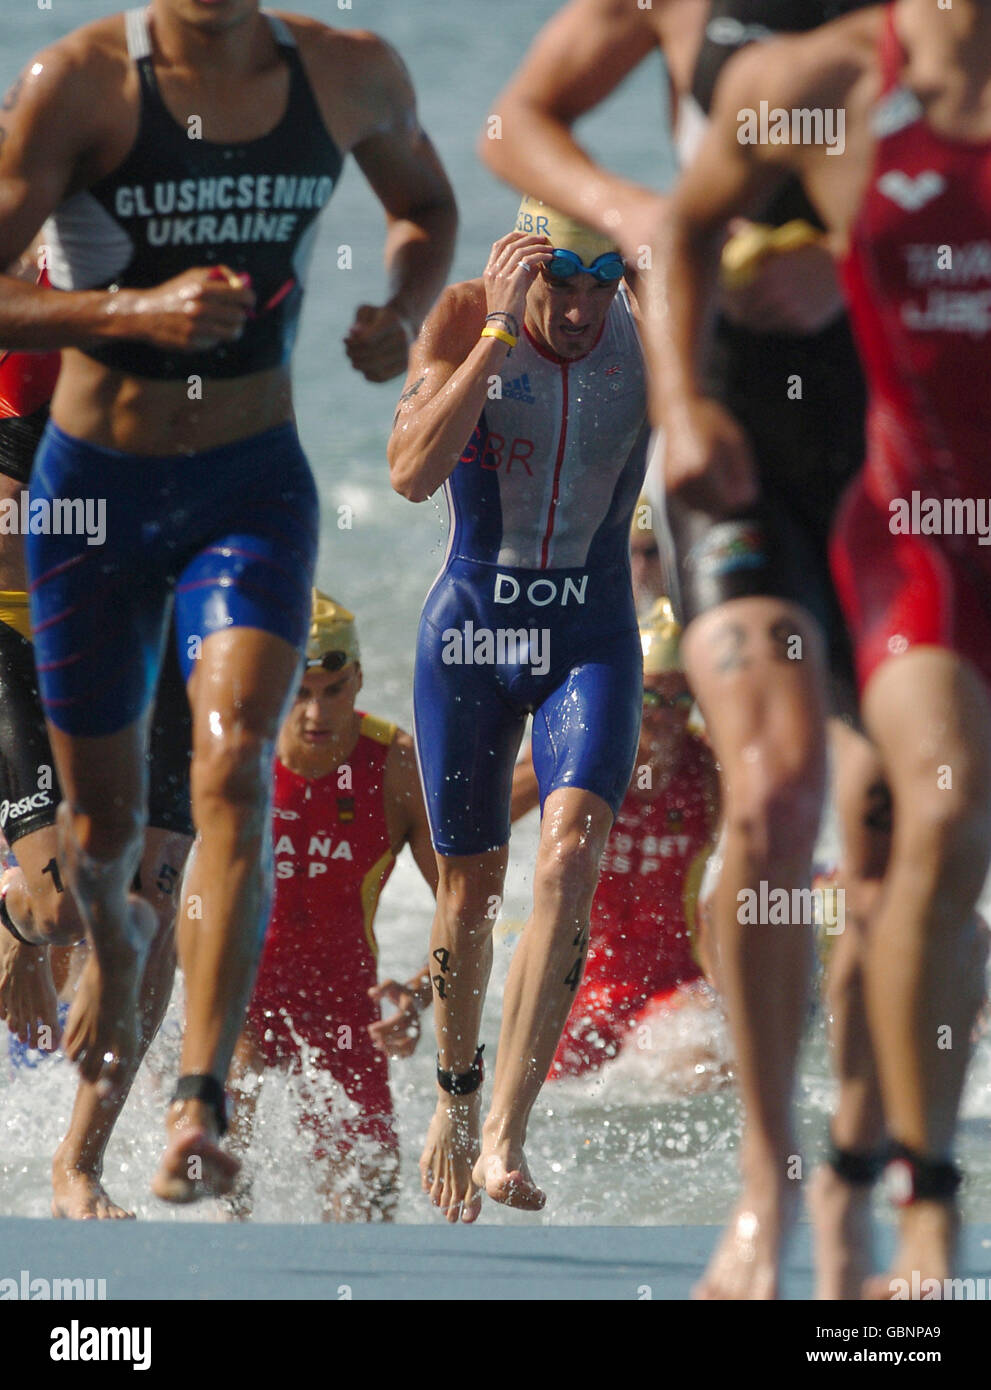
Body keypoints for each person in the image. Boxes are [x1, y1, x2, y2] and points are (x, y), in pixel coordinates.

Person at [0, 0, 456, 1202]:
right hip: (91, 500)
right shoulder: (80, 83)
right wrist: (126, 314)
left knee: (230, 774)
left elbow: (427, 208)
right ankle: (82, 1078)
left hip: (250, 489)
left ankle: (191, 1099)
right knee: (92, 864)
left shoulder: (349, 70)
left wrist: (404, 313)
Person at [483, 0, 889, 1301]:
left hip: (911, 412)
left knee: (895, 823)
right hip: (723, 415)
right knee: (768, 797)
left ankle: (867, 1177)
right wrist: (638, 214)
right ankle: (766, 1193)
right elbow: (514, 121)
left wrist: (864, 249)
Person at [650, 0, 991, 1296]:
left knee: (905, 836)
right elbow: (670, 220)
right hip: (866, 506)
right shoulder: (815, 80)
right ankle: (797, 1181)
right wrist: (677, 400)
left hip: (872, 454)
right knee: (814, 800)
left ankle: (862, 1163)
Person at [390, 196, 650, 1221]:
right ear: (520, 267)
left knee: (573, 845)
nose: (581, 310)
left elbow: (738, 440)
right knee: (470, 890)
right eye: (559, 284)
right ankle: (453, 1099)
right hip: (471, 631)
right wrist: (497, 335)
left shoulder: (645, 337)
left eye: (601, 286)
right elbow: (410, 474)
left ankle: (505, 1126)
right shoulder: (463, 315)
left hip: (590, 633)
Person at [0, 253, 193, 1220]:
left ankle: (81, 1158)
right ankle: (14, 923)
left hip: (148, 640)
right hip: (17, 642)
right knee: (57, 905)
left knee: (153, 897)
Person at [228, 592, 437, 1221]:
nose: (316, 712)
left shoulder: (395, 764)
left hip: (346, 1006)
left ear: (360, 681)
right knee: (217, 1188)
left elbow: (467, 905)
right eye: (298, 690)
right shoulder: (232, 748)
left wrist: (423, 992)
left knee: (369, 1207)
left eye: (334, 690)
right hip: (236, 996)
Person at [511, 597, 722, 1082]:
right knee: (545, 1097)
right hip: (578, 983)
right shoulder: (583, 759)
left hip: (674, 984)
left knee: (699, 1069)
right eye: (650, 697)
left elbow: (741, 865)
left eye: (680, 699)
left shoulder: (709, 771)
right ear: (628, 691)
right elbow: (476, 832)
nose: (665, 715)